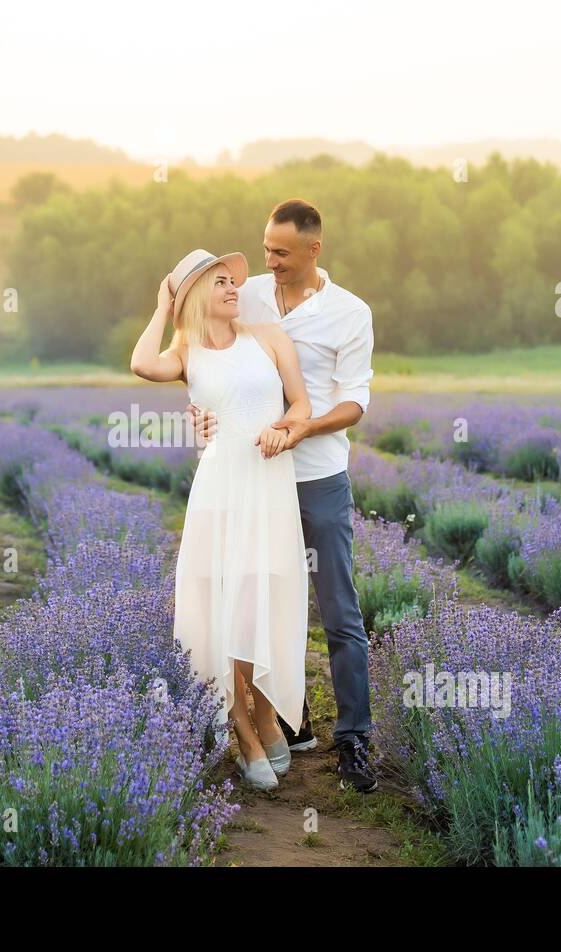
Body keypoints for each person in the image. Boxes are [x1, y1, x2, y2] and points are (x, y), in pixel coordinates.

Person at [188, 200, 379, 793]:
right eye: (266, 249)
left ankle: (353, 739)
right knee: (248, 601)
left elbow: (355, 401)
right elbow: (209, 356)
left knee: (338, 611)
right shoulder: (246, 298)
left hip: (316, 474)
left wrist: (302, 427)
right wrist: (200, 411)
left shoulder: (350, 313)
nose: (268, 261)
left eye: (281, 253)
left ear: (314, 249)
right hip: (249, 477)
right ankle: (276, 722)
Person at [130, 248, 311, 791]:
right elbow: (141, 363)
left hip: (269, 480)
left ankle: (259, 710)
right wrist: (162, 308)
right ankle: (243, 731)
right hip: (221, 484)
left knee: (257, 596)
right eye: (221, 283)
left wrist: (285, 429)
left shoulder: (270, 337)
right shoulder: (185, 351)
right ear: (193, 297)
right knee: (224, 599)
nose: (235, 288)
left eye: (235, 281)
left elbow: (300, 405)